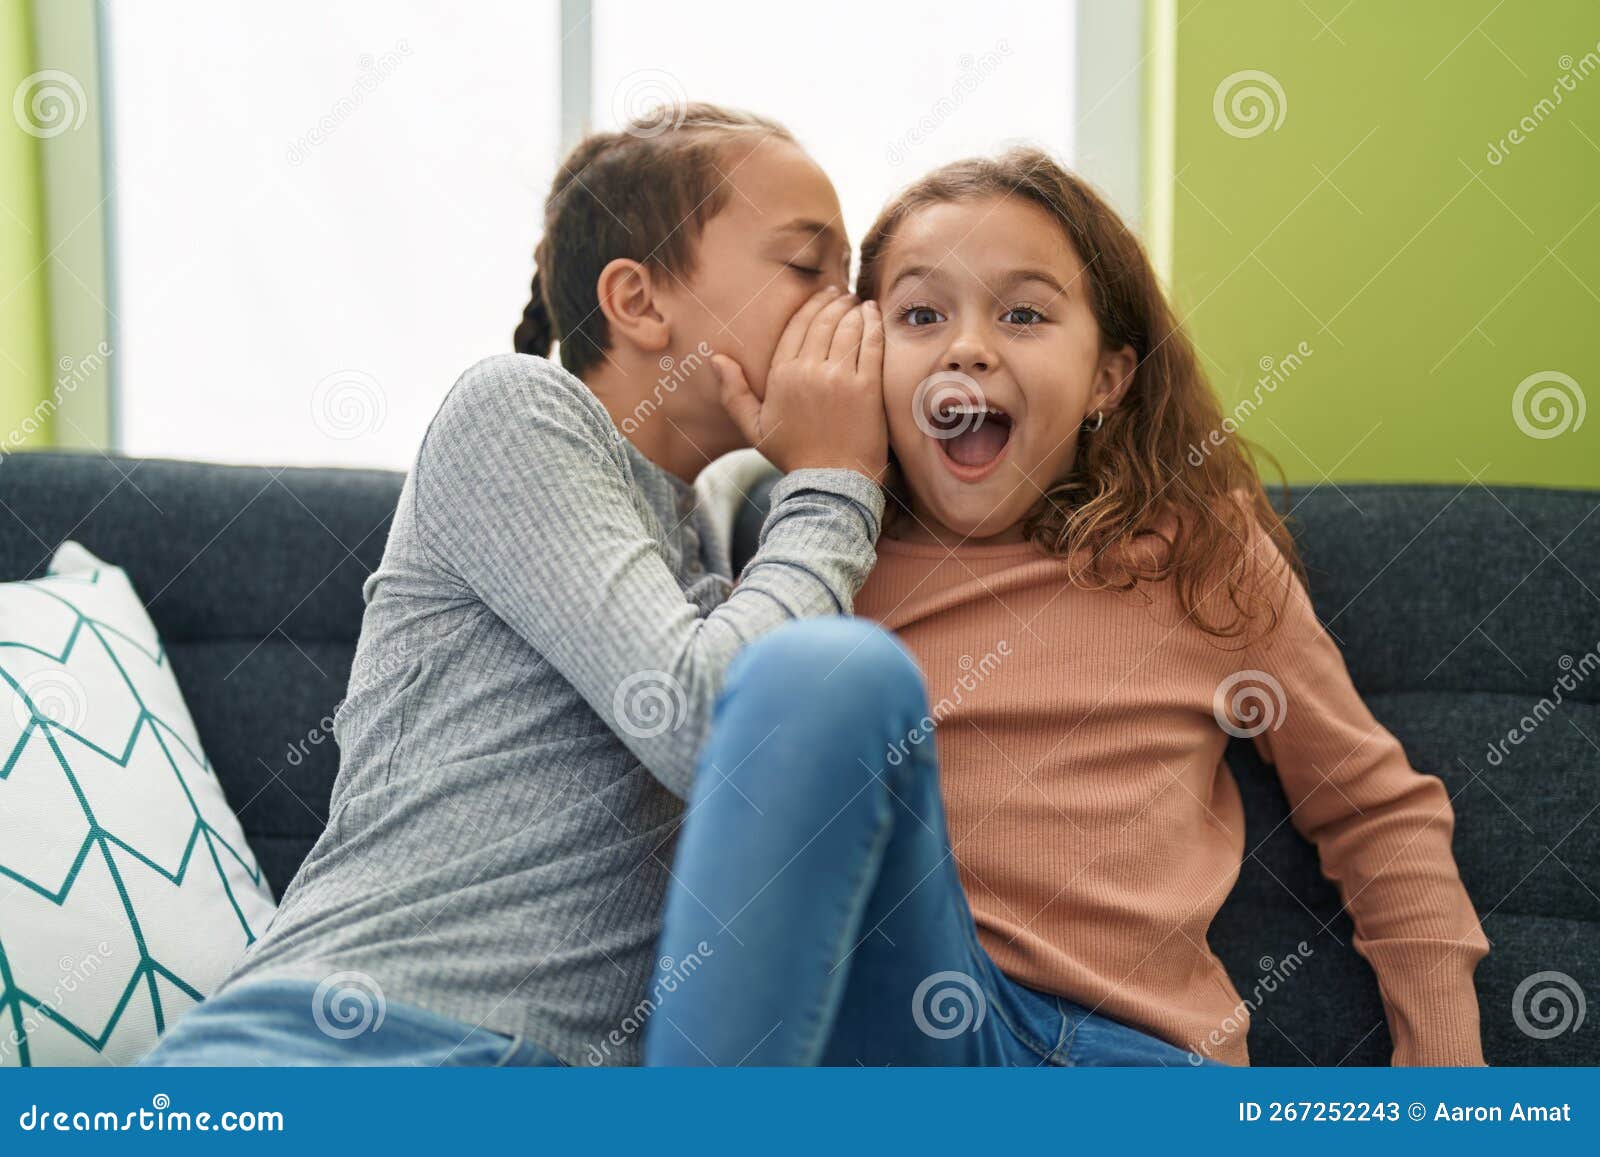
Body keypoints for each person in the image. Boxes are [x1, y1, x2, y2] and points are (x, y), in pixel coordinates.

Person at [641, 149, 1490, 1067]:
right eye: (921, 314)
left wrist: (1444, 1073)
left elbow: (1374, 812)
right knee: (814, 675)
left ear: (1107, 380)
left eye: (1025, 313)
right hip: (913, 1036)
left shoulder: (1197, 550)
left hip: (1137, 1065)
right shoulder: (817, 557)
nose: (968, 346)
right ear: (867, 359)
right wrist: (816, 478)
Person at [140, 103, 888, 1067]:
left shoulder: (703, 539)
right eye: (806, 267)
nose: (852, 312)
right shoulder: (514, 411)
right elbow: (714, 726)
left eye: (853, 279)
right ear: (640, 302)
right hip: (334, 1050)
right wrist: (835, 483)